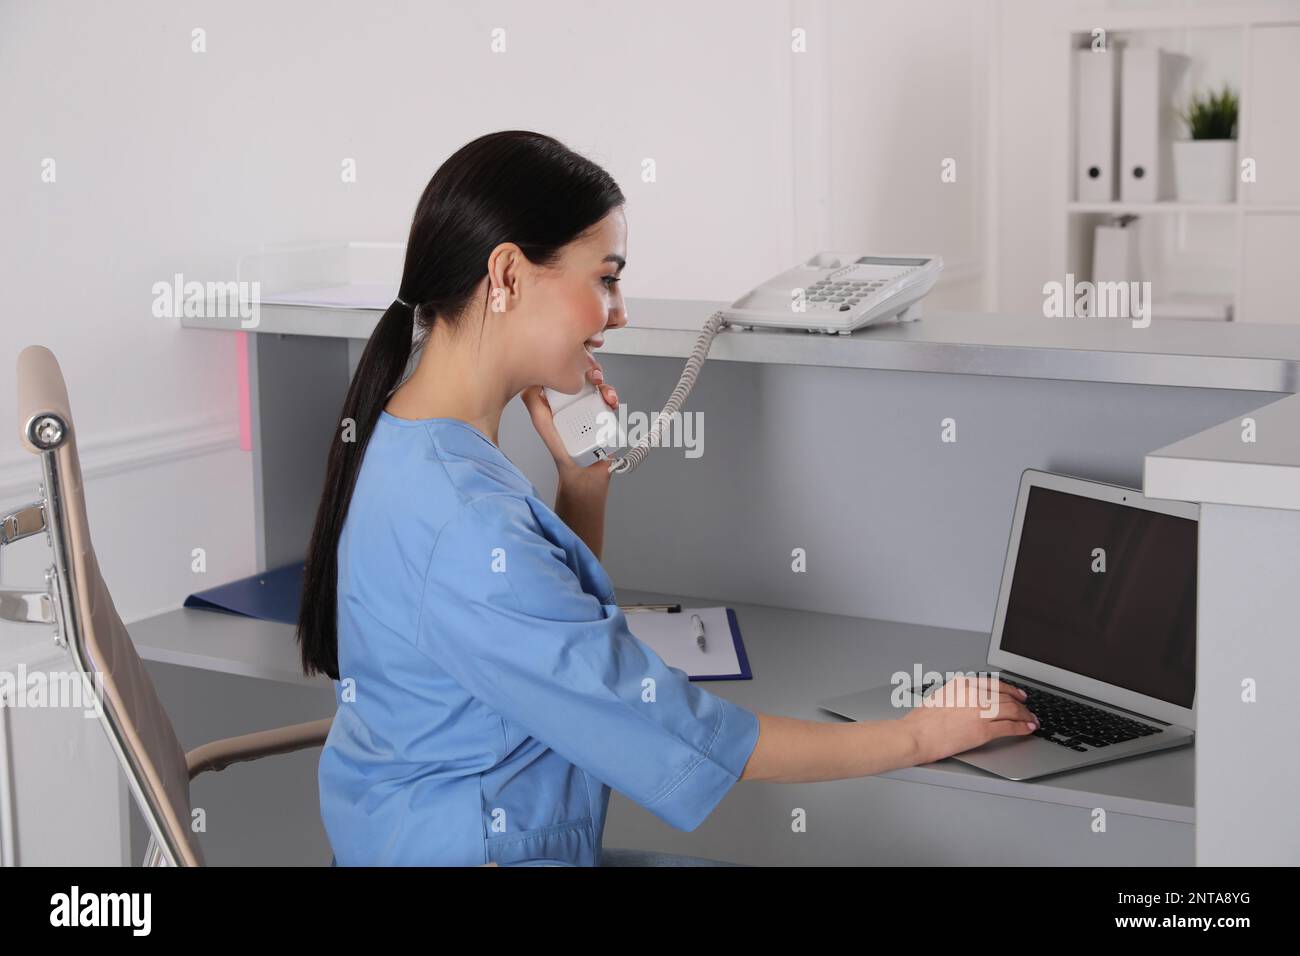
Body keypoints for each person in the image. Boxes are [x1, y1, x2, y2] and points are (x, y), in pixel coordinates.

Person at [297, 130, 1038, 867]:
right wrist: (916, 735)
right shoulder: (464, 516)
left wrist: (582, 487)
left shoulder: (404, 437)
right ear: (509, 276)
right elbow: (675, 731)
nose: (617, 312)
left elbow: (545, 651)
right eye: (606, 278)